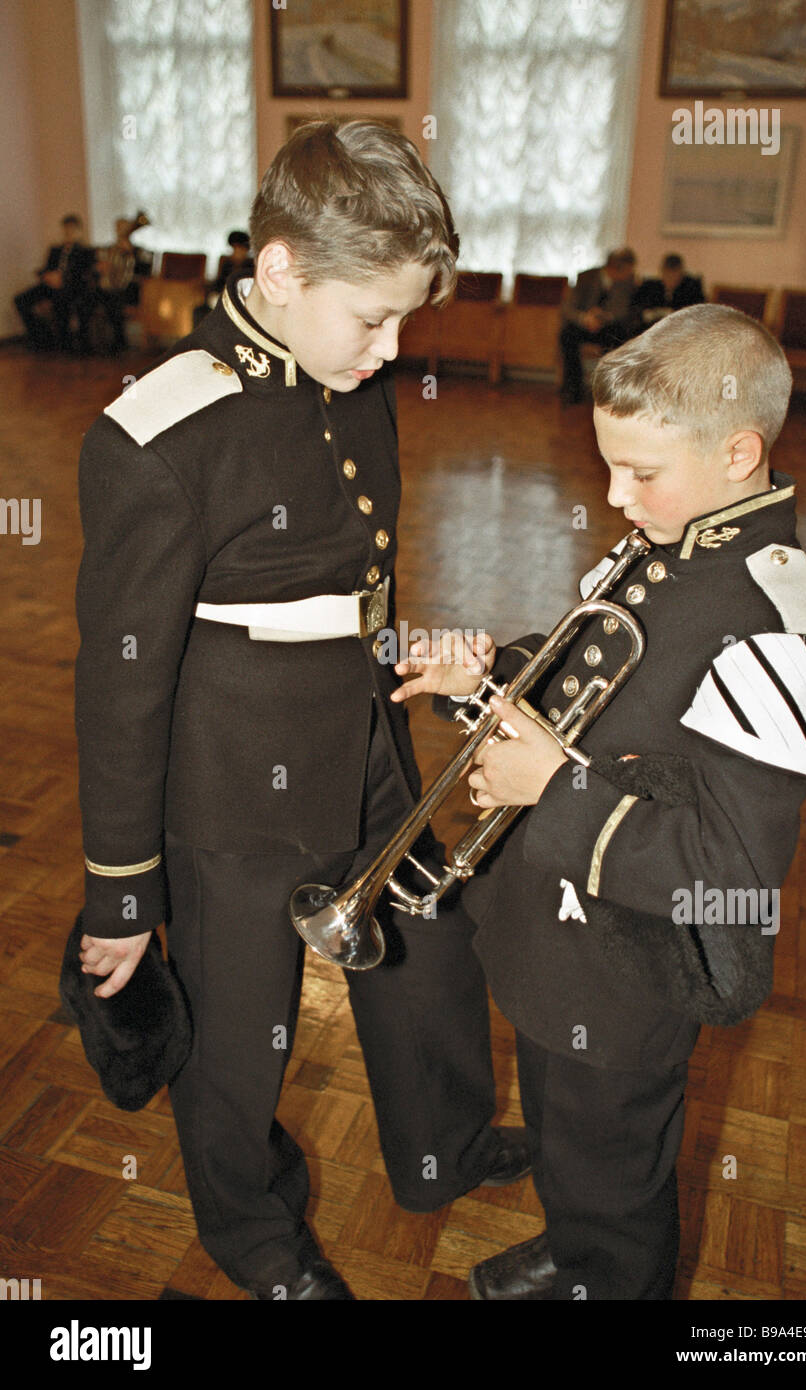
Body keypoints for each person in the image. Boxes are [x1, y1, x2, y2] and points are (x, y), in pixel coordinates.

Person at [73, 121, 529, 1302]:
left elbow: (352, 575)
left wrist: (405, 651)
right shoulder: (163, 433)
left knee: (430, 954)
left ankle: (443, 1150)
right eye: (373, 318)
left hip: (363, 731)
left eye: (405, 322)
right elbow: (119, 680)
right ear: (280, 271)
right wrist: (124, 892)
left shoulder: (344, 366)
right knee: (237, 1031)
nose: (392, 348)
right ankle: (258, 1242)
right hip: (231, 780)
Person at [391, 303, 806, 1300]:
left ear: (738, 452)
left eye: (639, 470)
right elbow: (582, 683)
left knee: (617, 1165)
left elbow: (732, 876)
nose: (613, 491)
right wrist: (484, 674)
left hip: (628, 971)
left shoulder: (774, 624)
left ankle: (614, 1272)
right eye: (610, 465)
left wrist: (552, 787)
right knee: (563, 1125)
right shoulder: (665, 540)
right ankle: (573, 1240)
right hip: (560, 943)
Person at [558, 247, 640, 403]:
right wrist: (585, 318)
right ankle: (573, 389)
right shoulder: (586, 277)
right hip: (584, 324)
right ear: (615, 268)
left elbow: (622, 310)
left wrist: (602, 317)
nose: (630, 273)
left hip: (608, 326)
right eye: (627, 270)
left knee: (619, 337)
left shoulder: (628, 282)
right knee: (567, 335)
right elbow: (568, 308)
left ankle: (609, 388)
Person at [14, 214, 96, 353]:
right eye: (66, 229)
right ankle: (42, 338)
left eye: (72, 229)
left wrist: (63, 278)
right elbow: (46, 268)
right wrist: (46, 276)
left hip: (72, 288)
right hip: (51, 286)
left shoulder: (85, 251)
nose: (68, 233)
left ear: (79, 231)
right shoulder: (55, 250)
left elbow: (84, 274)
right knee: (21, 300)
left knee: (62, 300)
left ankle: (66, 342)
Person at [92, 216, 153, 353]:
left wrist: (132, 253)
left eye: (124, 228)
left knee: (114, 300)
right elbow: (97, 267)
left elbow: (146, 271)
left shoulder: (140, 250)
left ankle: (118, 343)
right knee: (90, 297)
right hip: (109, 288)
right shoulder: (109, 249)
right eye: (118, 228)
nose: (121, 232)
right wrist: (99, 267)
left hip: (129, 290)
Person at [631, 253, 704, 331]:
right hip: (652, 329)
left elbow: (698, 311)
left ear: (682, 273)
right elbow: (636, 307)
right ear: (661, 272)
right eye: (667, 274)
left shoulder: (692, 287)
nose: (671, 278)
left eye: (675, 275)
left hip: (682, 329)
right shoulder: (649, 285)